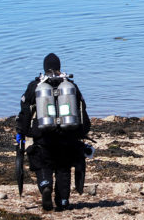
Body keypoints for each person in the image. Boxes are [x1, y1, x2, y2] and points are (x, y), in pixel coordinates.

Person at [15, 53, 90, 211]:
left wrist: (23, 131)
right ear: (59, 66)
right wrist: (82, 132)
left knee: (42, 163)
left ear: (44, 67)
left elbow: (25, 111)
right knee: (63, 167)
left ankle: (46, 185)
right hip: (67, 136)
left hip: (44, 136)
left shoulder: (35, 86)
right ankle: (62, 200)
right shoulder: (69, 85)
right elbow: (81, 109)